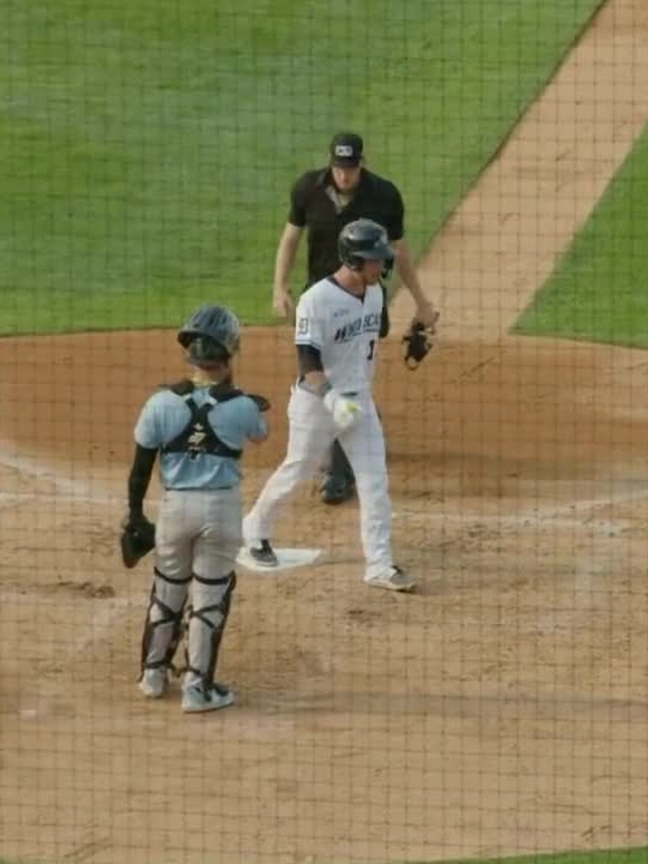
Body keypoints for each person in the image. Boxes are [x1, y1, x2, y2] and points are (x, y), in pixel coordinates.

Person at [244, 219, 415, 592]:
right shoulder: (316, 300)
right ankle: (255, 530)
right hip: (316, 405)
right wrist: (332, 397)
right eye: (375, 260)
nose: (381, 266)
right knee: (297, 470)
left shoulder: (375, 294)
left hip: (360, 405)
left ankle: (380, 565)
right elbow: (307, 364)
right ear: (354, 260)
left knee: (374, 482)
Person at [272, 131, 439, 506]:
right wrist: (279, 287)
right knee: (329, 376)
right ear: (330, 162)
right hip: (321, 304)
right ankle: (337, 470)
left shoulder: (384, 195)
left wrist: (422, 302)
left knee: (355, 377)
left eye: (350, 168)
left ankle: (360, 431)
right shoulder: (307, 189)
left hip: (366, 301)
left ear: (362, 163)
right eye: (338, 167)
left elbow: (401, 251)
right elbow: (290, 238)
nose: (344, 175)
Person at [124, 305, 269, 713]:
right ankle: (197, 690)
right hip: (220, 511)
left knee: (167, 590)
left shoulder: (158, 404)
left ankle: (153, 674)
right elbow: (258, 435)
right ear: (230, 352)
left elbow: (139, 472)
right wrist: (233, 390)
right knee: (209, 599)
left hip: (174, 510)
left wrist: (135, 516)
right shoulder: (243, 408)